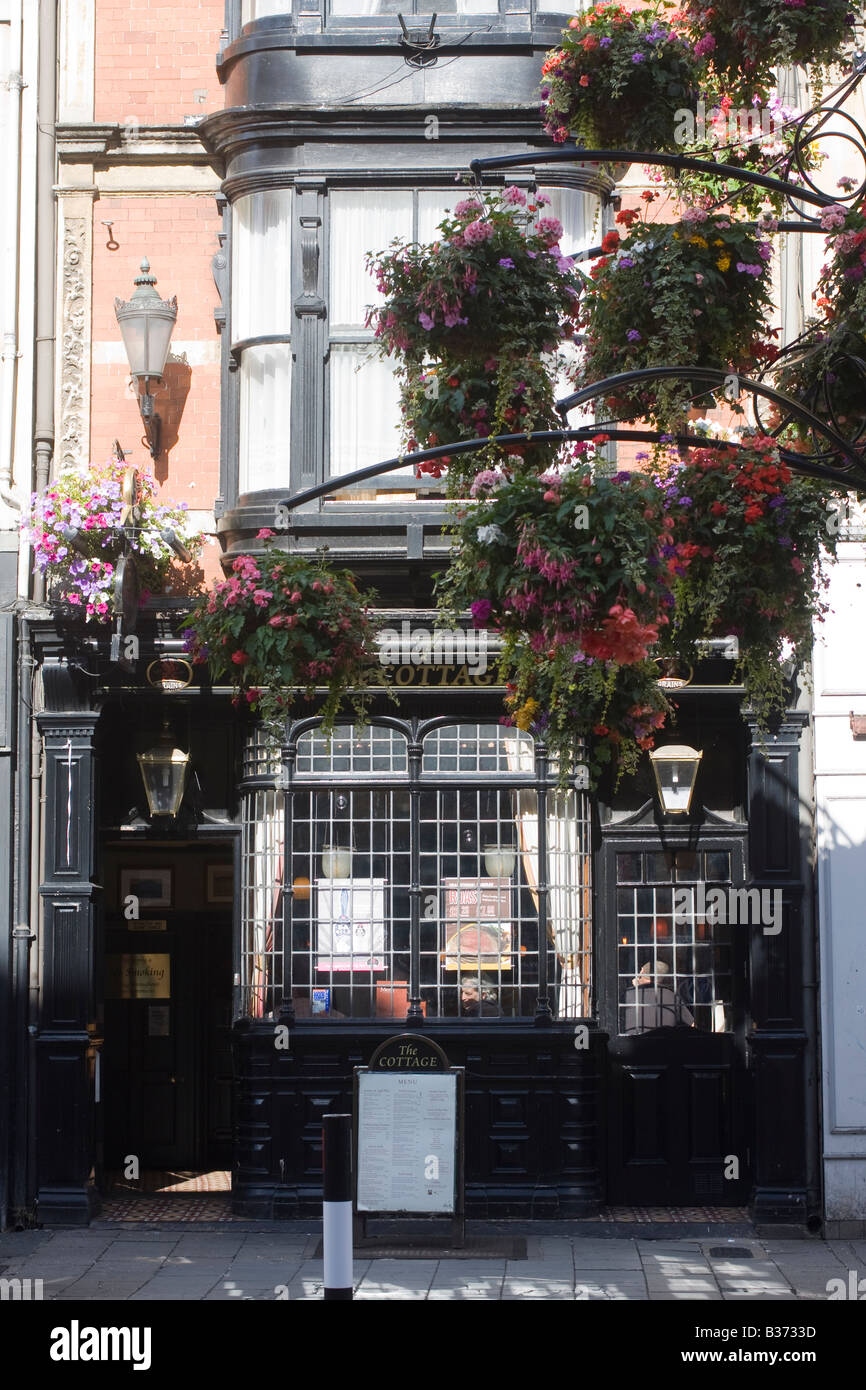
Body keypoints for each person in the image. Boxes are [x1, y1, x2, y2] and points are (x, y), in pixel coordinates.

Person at [621, 961, 694, 1033]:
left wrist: (636, 986)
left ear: (642, 971)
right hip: (661, 1042)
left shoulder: (626, 995)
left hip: (632, 1041)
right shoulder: (671, 996)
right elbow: (692, 1025)